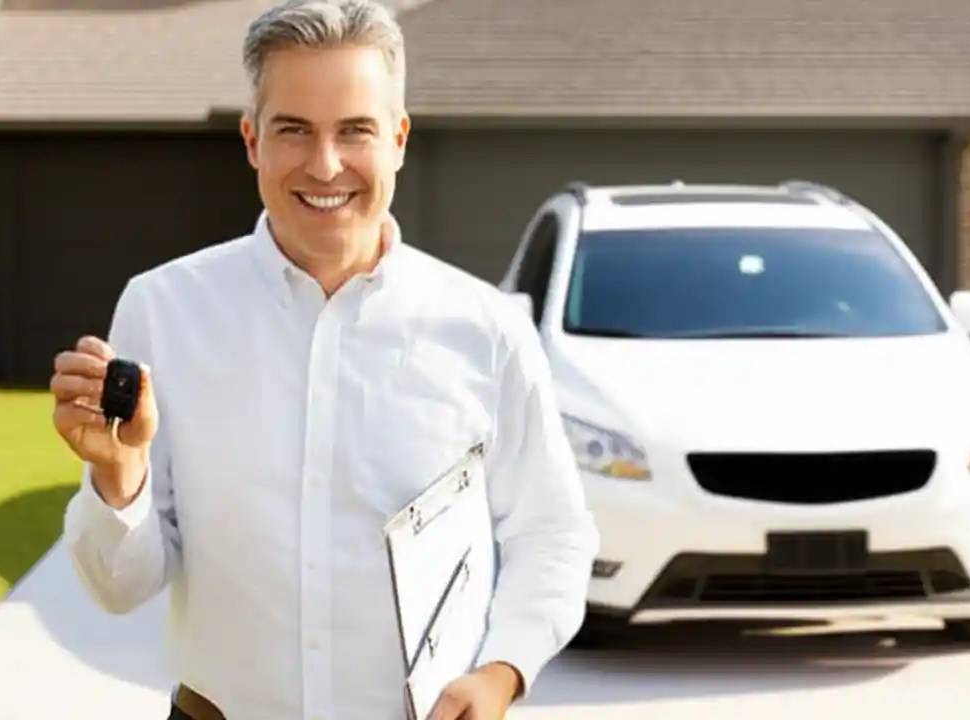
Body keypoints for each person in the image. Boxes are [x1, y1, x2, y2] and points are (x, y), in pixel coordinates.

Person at [51, 1, 600, 718]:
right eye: (294, 131)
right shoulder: (162, 310)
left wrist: (500, 673)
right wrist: (117, 477)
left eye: (355, 131)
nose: (326, 164)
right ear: (252, 140)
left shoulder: (488, 331)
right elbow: (119, 588)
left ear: (399, 139)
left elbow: (552, 534)